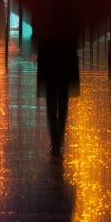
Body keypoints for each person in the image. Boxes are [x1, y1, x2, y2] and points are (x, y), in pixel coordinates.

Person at [34, 24, 80, 159]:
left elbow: (35, 37)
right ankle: (60, 136)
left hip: (49, 64)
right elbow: (76, 40)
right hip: (66, 64)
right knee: (63, 102)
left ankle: (55, 140)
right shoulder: (71, 17)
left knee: (51, 102)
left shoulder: (45, 17)